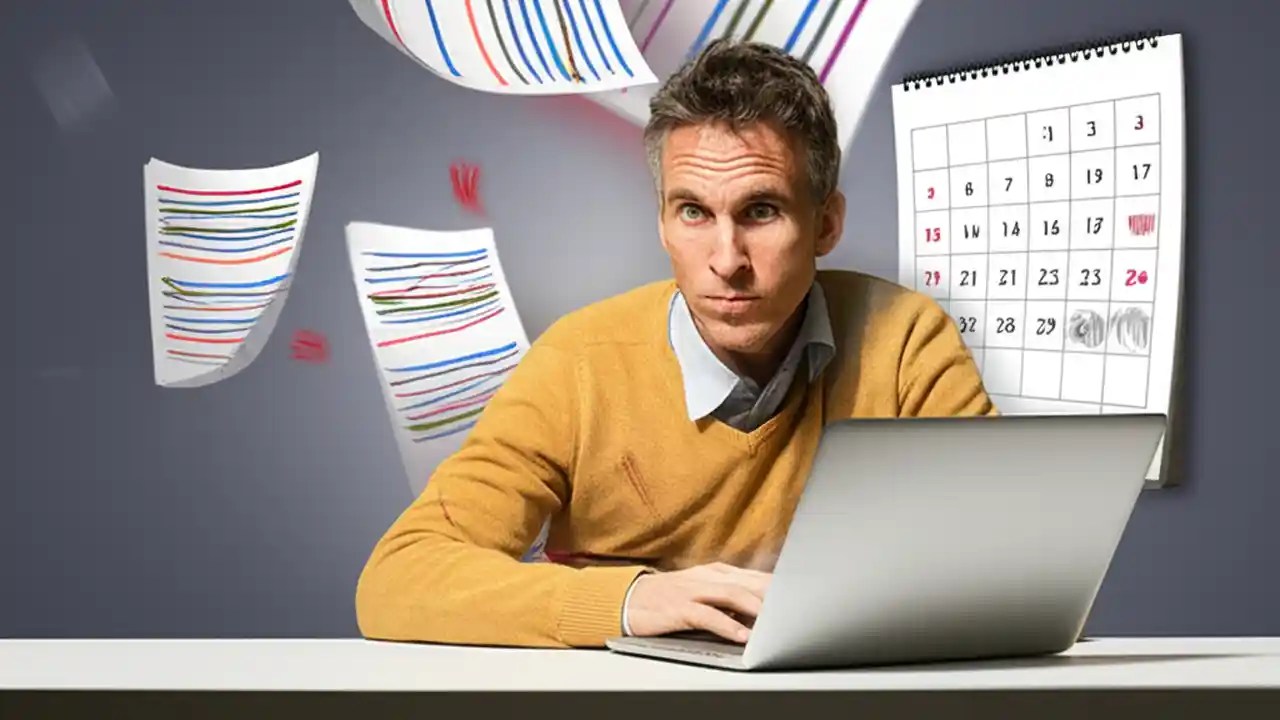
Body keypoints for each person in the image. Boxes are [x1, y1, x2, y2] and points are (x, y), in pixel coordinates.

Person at [355, 39, 996, 649]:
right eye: (693, 212)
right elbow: (398, 578)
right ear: (661, 221)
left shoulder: (906, 339)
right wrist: (632, 602)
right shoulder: (577, 363)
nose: (726, 259)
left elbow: (1006, 556)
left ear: (826, 223)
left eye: (761, 211)